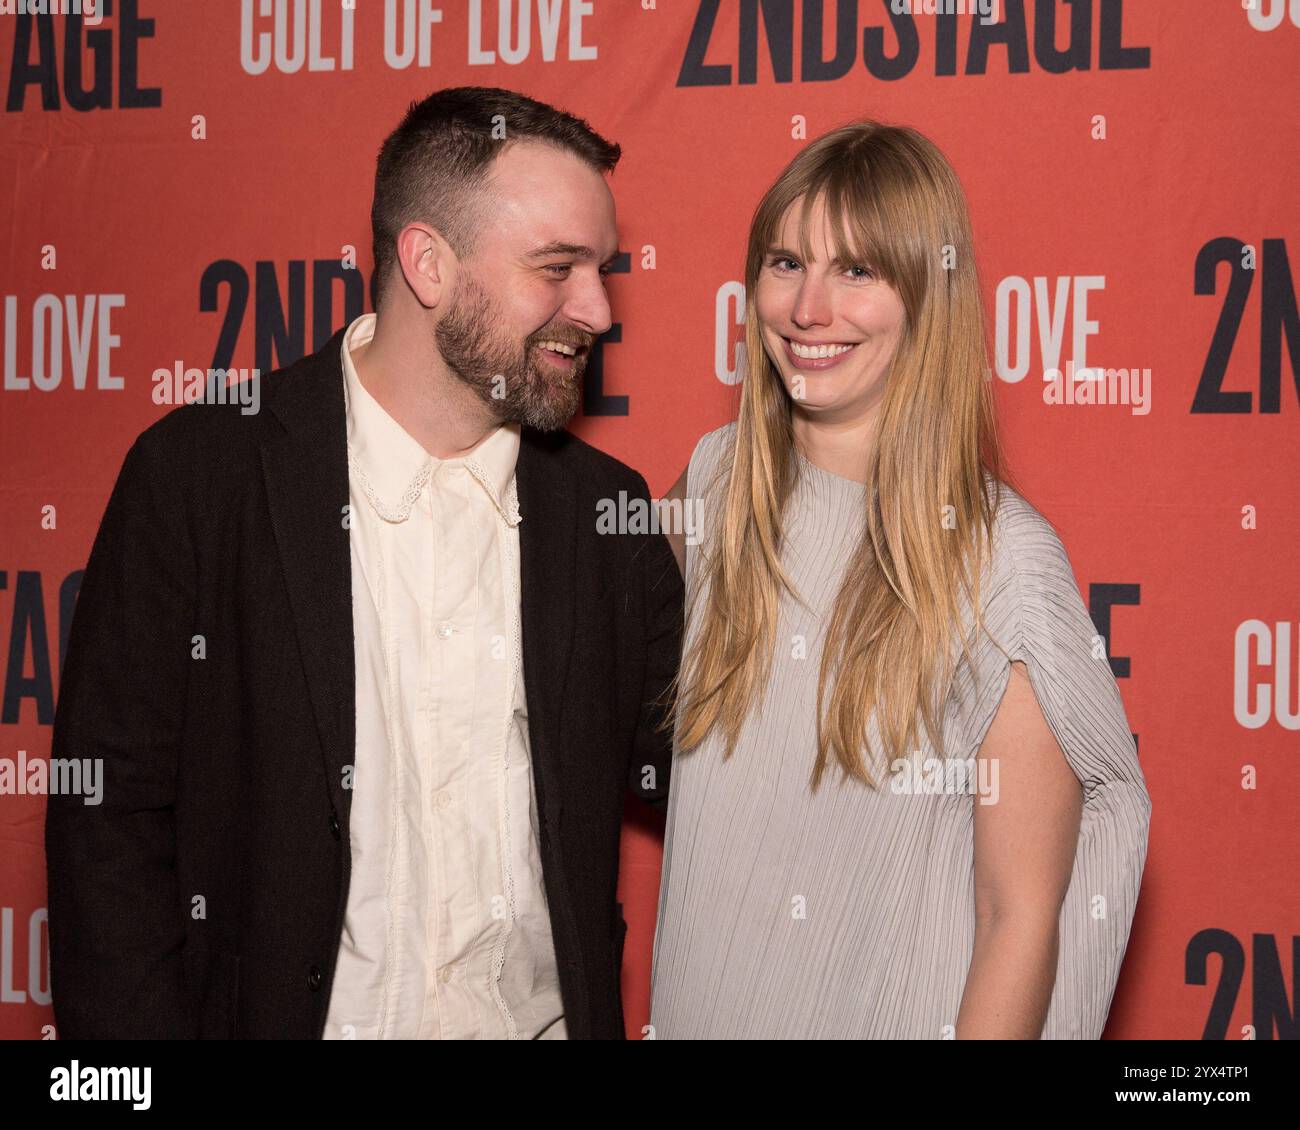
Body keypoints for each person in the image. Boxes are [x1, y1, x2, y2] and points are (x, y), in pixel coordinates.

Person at [44, 86, 682, 1040]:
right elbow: (109, 827)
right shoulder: (201, 480)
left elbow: (723, 774)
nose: (594, 307)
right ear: (427, 262)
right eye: (558, 267)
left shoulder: (607, 516)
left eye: (601, 270)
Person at [649, 121, 1151, 1039]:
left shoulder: (1002, 564)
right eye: (785, 262)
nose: (807, 309)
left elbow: (1019, 919)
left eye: (858, 272)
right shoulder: (715, 484)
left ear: (930, 295)